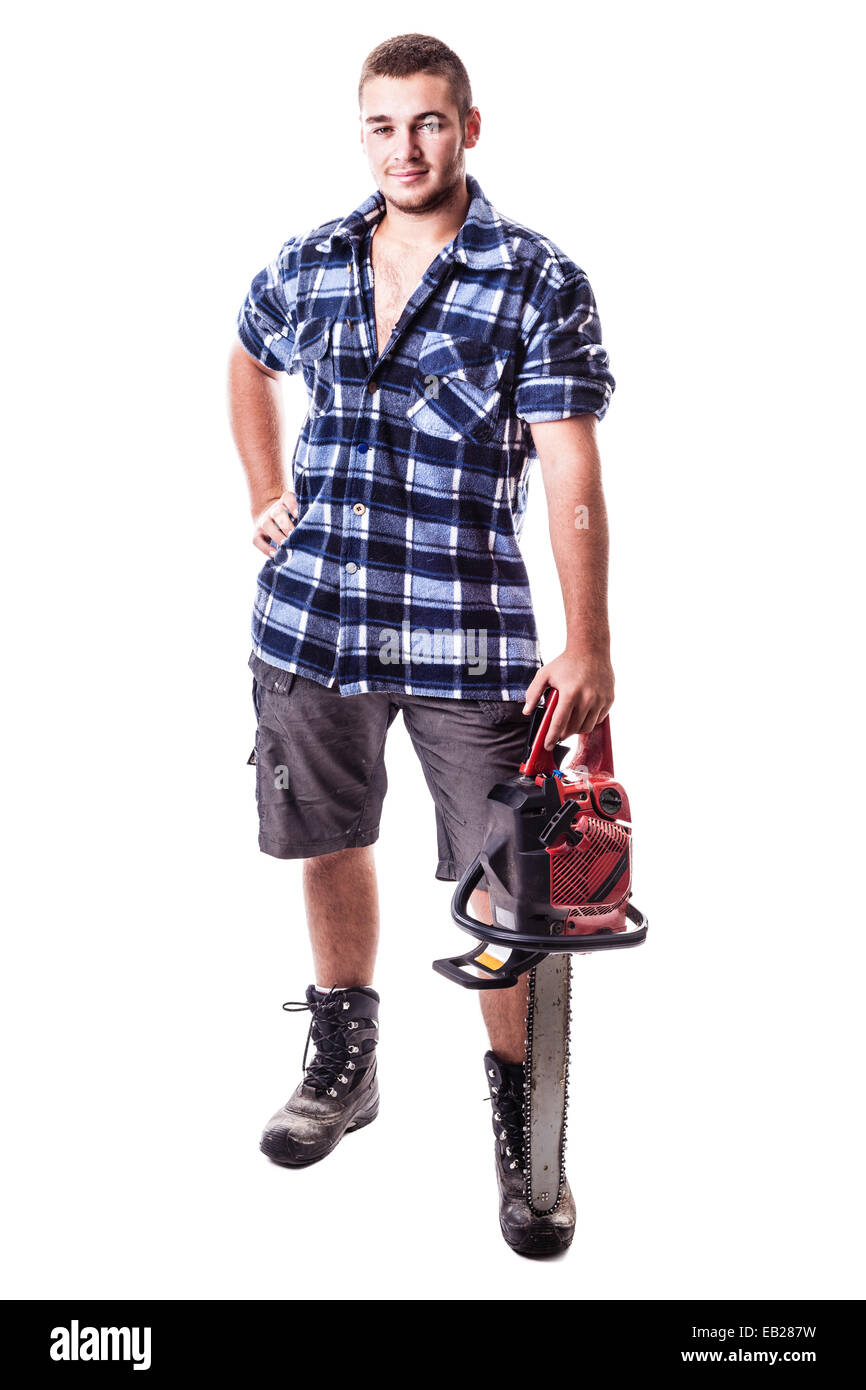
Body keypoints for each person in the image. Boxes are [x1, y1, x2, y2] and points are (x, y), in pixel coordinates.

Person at [227, 32, 616, 1258]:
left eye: (429, 123)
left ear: (470, 126)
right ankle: (345, 1056)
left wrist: (588, 637)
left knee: (514, 886)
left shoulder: (535, 279)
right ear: (363, 133)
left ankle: (525, 1133)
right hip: (313, 621)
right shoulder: (308, 262)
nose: (406, 148)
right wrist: (261, 484)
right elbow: (244, 354)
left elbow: (568, 466)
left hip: (468, 635)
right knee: (328, 835)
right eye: (383, 126)